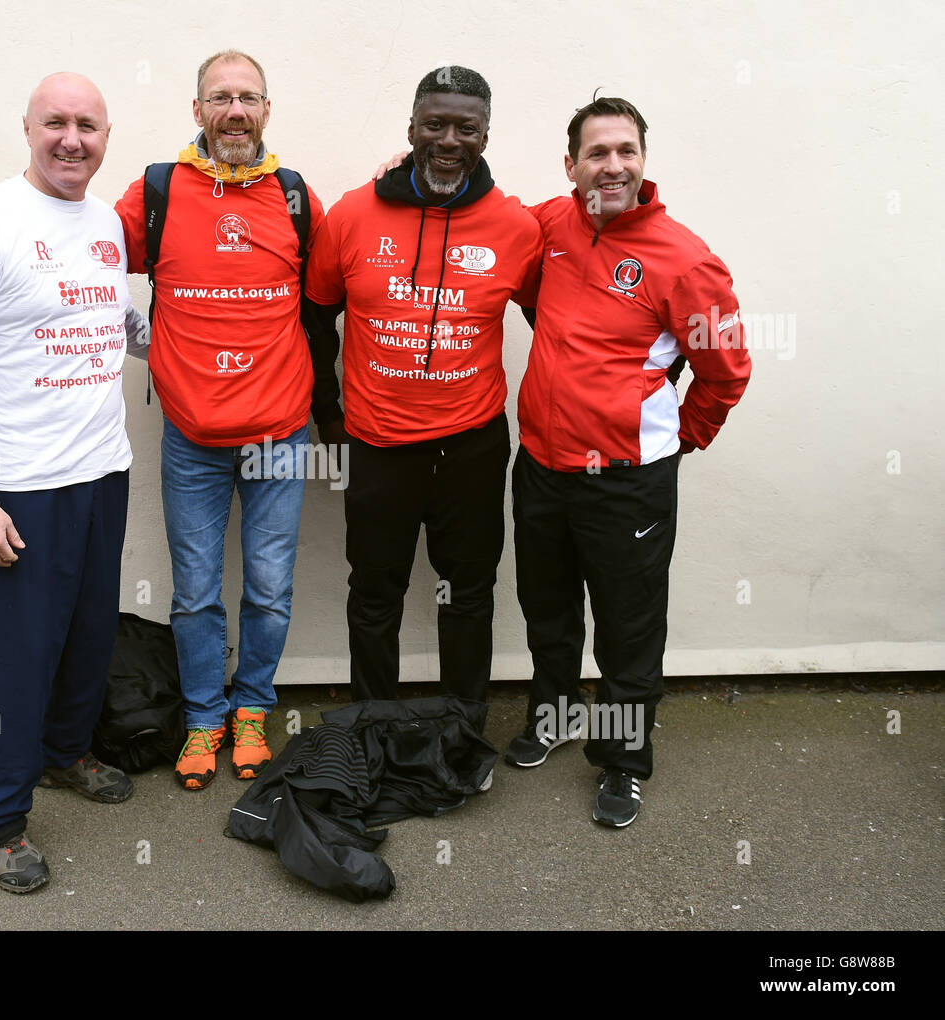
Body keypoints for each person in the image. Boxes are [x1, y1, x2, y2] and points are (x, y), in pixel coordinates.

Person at [0, 72, 148, 893]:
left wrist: (195, 341)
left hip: (101, 473)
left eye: (87, 124)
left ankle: (64, 752)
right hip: (18, 488)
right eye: (56, 122)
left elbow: (108, 320)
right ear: (27, 127)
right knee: (11, 659)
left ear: (107, 136)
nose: (71, 139)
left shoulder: (108, 226)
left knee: (87, 635)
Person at [507, 95, 752, 827]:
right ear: (572, 166)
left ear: (642, 162)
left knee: (627, 626)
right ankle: (555, 715)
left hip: (627, 482)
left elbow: (727, 372)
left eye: (625, 152)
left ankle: (621, 761)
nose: (611, 165)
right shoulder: (551, 224)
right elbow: (499, 231)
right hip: (542, 468)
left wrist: (674, 440)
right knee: (546, 608)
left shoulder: (685, 259)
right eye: (596, 153)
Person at [115, 50, 325, 790]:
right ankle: (204, 716)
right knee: (196, 590)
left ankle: (251, 708)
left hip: (281, 436)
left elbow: (331, 290)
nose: (235, 112)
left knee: (269, 586)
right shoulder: (157, 192)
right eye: (220, 98)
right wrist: (148, 348)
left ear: (267, 110)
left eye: (249, 98)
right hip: (192, 441)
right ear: (196, 109)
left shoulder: (295, 197)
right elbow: (85, 267)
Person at [303, 66, 542, 707]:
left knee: (468, 592)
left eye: (467, 128)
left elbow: (561, 322)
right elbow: (315, 313)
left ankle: (462, 730)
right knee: (374, 593)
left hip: (472, 448)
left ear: (486, 136)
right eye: (434, 124)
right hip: (377, 445)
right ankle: (371, 733)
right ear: (411, 128)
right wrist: (329, 415)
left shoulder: (516, 227)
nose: (449, 140)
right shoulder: (354, 213)